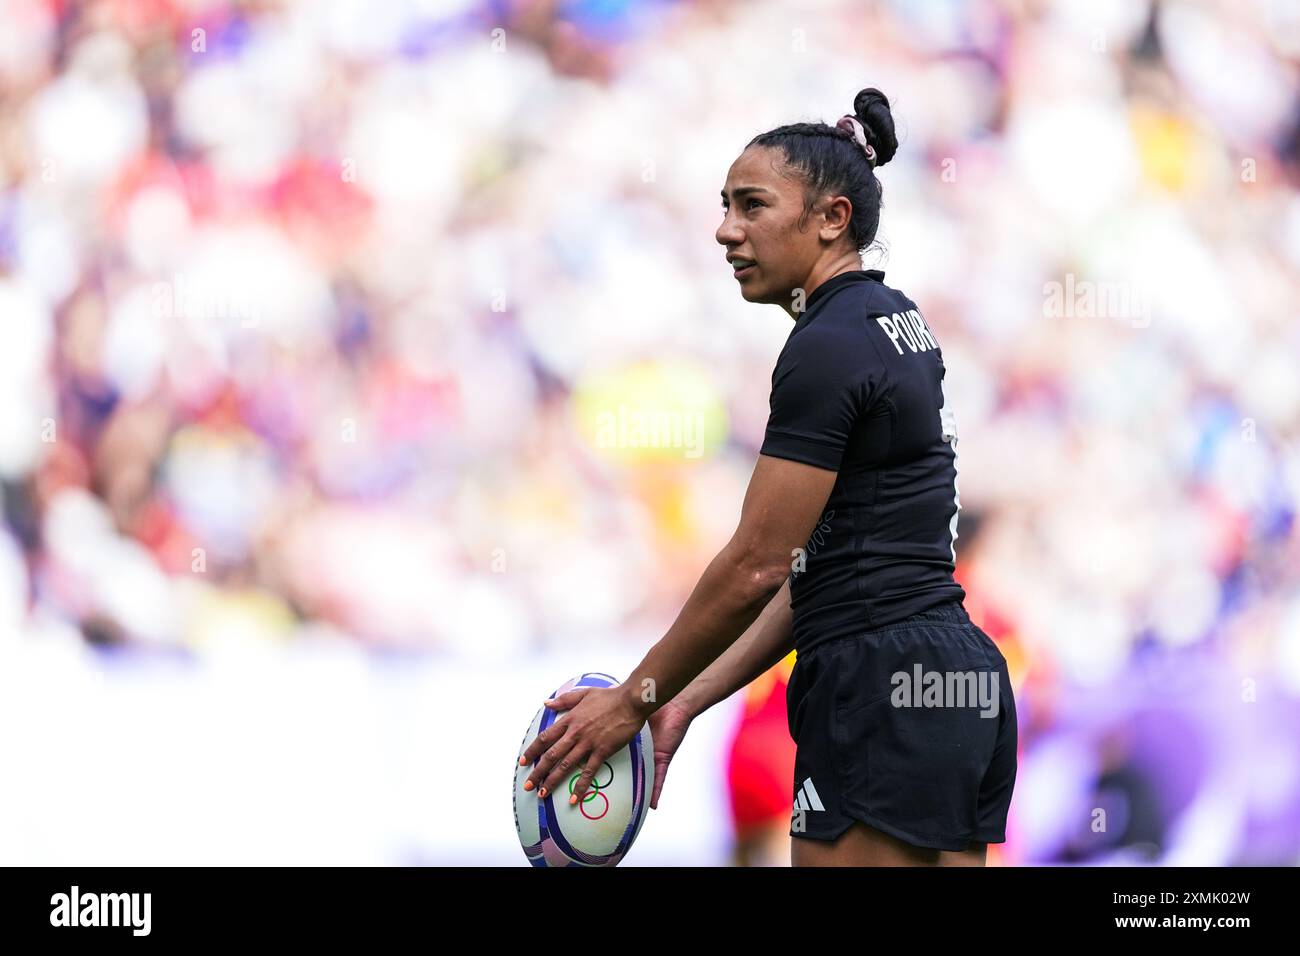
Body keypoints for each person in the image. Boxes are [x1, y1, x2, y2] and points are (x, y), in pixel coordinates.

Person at [520, 88, 1017, 866]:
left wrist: (632, 698)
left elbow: (758, 561)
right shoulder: (893, 320)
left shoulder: (828, 343)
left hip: (880, 684)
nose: (726, 230)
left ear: (831, 218)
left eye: (752, 206)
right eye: (724, 206)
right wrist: (681, 698)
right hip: (951, 677)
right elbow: (823, 565)